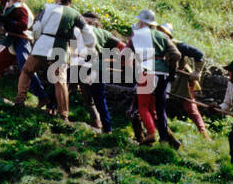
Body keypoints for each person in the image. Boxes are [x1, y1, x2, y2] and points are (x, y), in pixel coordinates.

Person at [16, 0, 92, 120]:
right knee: (60, 81)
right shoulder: (76, 14)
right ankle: (64, 114)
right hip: (60, 48)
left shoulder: (48, 8)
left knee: (27, 71)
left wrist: (36, 38)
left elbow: (37, 27)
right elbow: (87, 32)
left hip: (43, 44)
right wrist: (89, 46)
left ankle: (19, 100)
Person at [0, 0, 46, 102]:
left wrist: (8, 22)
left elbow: (23, 25)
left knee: (26, 68)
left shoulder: (20, 9)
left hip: (21, 41)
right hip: (12, 42)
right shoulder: (9, 3)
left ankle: (42, 97)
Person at [129, 9, 182, 148]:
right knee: (159, 108)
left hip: (147, 71)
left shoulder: (137, 35)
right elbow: (176, 54)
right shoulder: (162, 36)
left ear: (142, 22)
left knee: (142, 106)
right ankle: (164, 139)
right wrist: (170, 69)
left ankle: (151, 133)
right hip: (162, 75)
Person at [75, 13, 126, 133]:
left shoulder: (79, 31)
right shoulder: (105, 34)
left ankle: (56, 111)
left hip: (80, 64)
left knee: (67, 85)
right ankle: (107, 128)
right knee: (99, 98)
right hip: (99, 67)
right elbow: (123, 47)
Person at [161, 23, 209, 138]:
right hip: (165, 75)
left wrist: (197, 71)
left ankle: (203, 132)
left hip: (182, 78)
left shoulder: (179, 46)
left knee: (189, 105)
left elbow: (199, 54)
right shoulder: (156, 45)